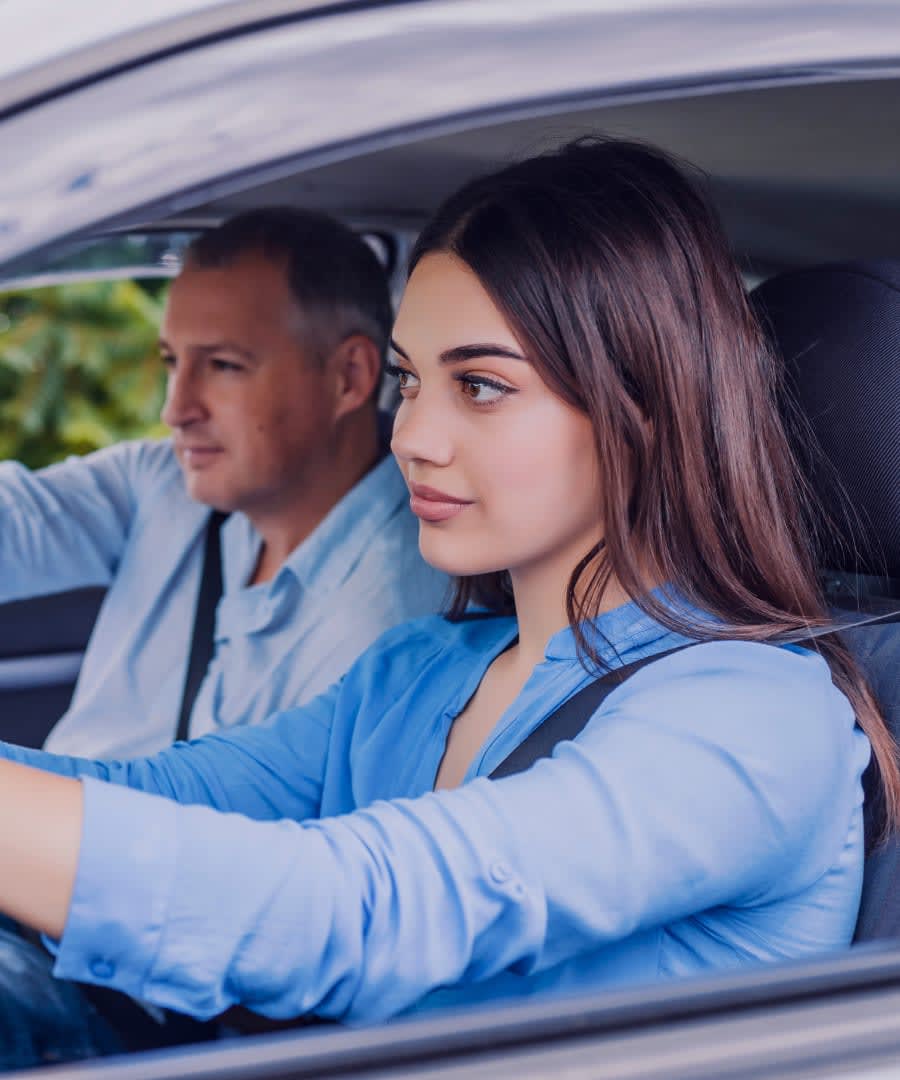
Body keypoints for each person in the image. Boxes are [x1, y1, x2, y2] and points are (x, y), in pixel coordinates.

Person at [0, 137, 896, 1068]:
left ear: (644, 409)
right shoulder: (421, 670)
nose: (412, 436)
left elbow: (346, 912)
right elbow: (155, 794)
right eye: (410, 381)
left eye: (481, 386)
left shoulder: (753, 718)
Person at [0, 208, 448, 757]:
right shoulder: (162, 482)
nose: (176, 410)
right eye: (172, 362)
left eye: (224, 365)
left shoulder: (393, 621)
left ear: (348, 377)